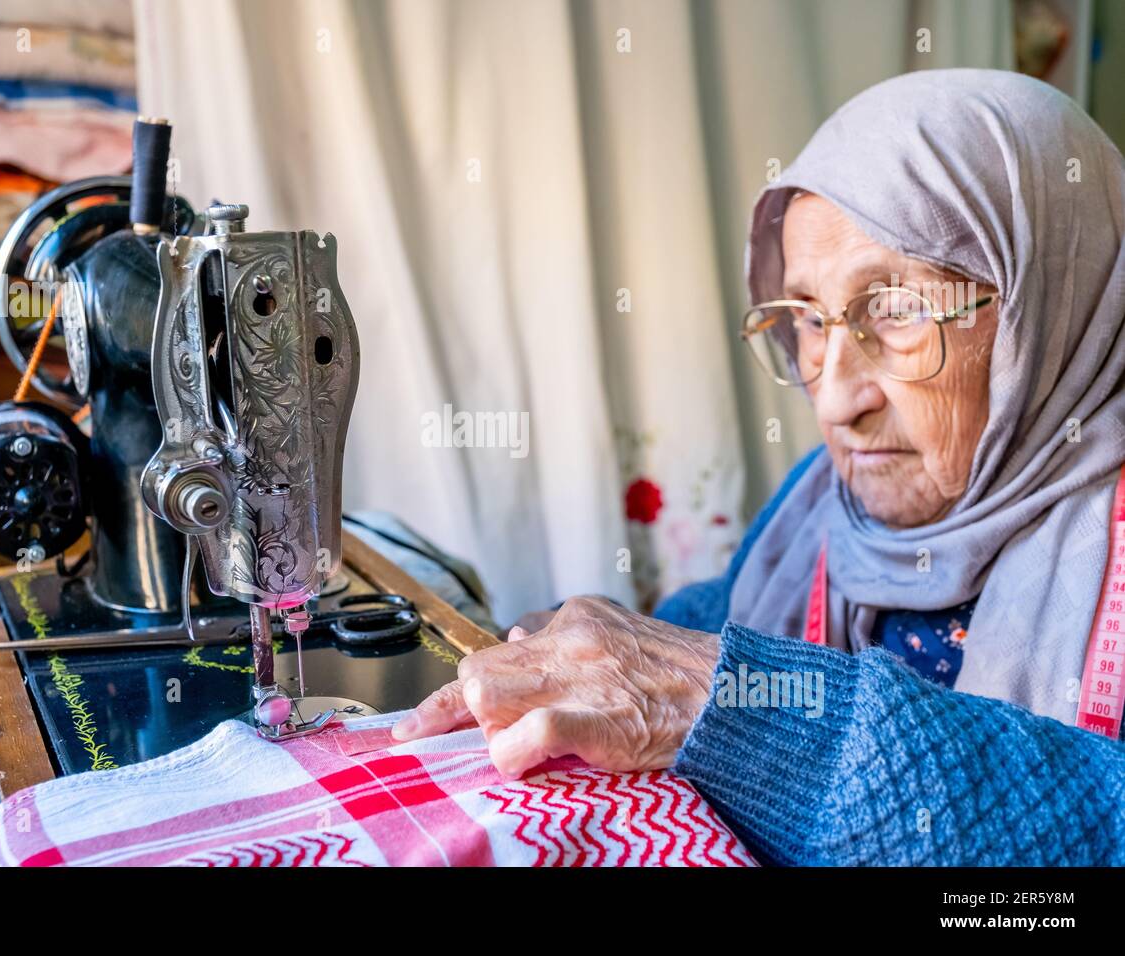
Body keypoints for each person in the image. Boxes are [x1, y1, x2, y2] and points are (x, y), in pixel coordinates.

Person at [393, 69, 1125, 865]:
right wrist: (590, 649)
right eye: (809, 319)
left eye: (898, 306)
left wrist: (743, 704)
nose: (838, 397)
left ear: (1056, 305)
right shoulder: (815, 510)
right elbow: (716, 619)